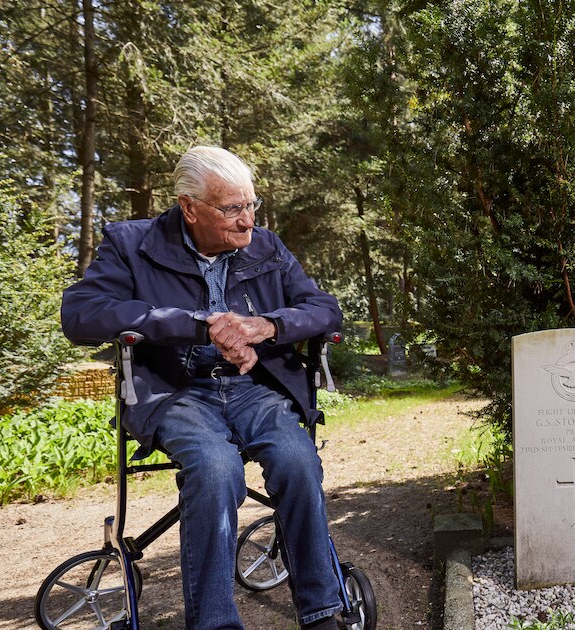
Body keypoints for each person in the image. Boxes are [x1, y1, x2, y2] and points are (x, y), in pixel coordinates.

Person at [61, 146, 346, 630]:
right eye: (231, 208)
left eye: (251, 205)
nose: (246, 221)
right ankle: (214, 624)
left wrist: (267, 327)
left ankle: (321, 613)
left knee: (298, 462)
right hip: (175, 390)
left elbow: (324, 309)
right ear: (189, 207)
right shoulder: (132, 244)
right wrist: (195, 324)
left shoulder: (267, 247)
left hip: (253, 385)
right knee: (215, 470)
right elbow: (81, 313)